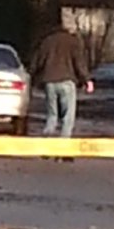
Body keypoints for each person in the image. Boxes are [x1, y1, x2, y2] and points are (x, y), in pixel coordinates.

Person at [30, 17, 93, 145]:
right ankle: (64, 144)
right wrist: (87, 80)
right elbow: (79, 63)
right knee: (68, 116)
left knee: (52, 114)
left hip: (49, 82)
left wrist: (32, 77)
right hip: (67, 81)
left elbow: (37, 62)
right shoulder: (73, 42)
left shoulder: (47, 41)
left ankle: (47, 141)